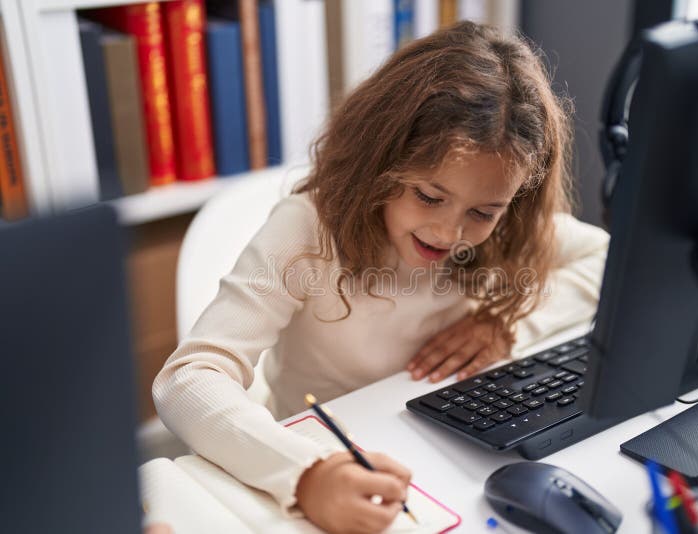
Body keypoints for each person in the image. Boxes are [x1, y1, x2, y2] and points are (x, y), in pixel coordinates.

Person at [153, 21, 609, 534]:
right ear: (381, 162)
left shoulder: (507, 228)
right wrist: (304, 473)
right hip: (321, 447)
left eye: (483, 212)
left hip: (437, 442)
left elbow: (604, 257)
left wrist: (506, 324)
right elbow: (186, 380)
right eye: (430, 196)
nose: (449, 231)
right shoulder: (308, 229)